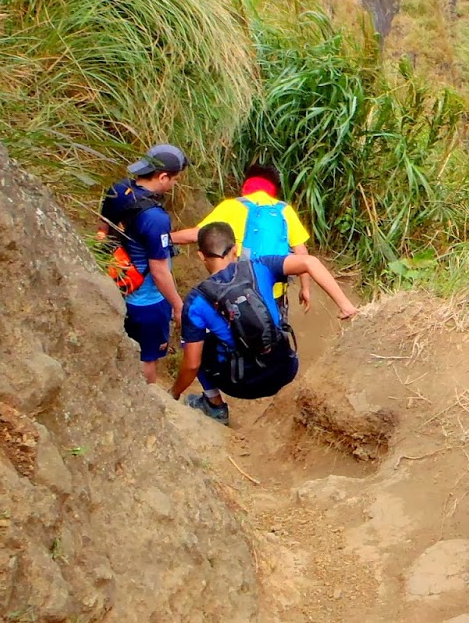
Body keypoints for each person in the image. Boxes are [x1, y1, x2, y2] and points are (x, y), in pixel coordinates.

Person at [172, 221, 358, 423]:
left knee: (196, 341)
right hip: (286, 368)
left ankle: (214, 406)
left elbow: (192, 365)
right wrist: (345, 305)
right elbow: (309, 262)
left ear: (200, 255)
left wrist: (173, 394)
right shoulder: (260, 266)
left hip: (242, 385)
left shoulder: (196, 301)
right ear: (235, 249)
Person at [98, 144, 188, 384]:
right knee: (146, 358)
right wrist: (178, 307)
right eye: (175, 179)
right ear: (162, 177)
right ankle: (144, 403)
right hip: (147, 301)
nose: (174, 184)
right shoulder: (156, 218)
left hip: (116, 286)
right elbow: (159, 271)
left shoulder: (117, 190)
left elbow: (102, 232)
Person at [172, 164, 314, 312]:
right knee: (272, 330)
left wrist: (166, 237)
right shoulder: (285, 210)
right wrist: (305, 288)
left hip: (239, 290)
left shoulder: (232, 206)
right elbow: (302, 253)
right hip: (274, 292)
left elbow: (197, 235)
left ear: (247, 183)